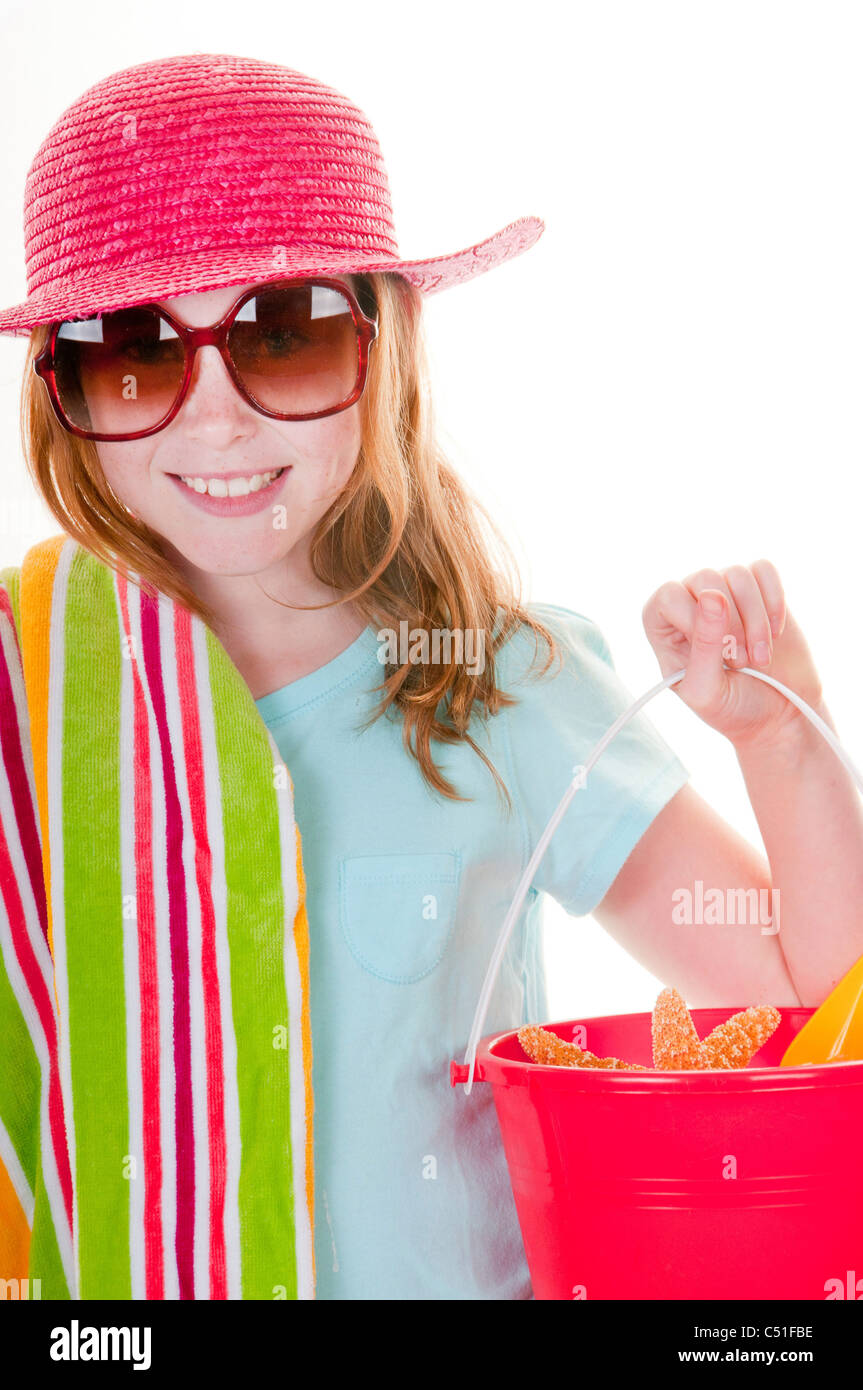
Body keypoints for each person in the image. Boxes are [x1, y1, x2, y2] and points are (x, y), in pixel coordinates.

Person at [2, 53, 862, 1303]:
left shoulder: (501, 689)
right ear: (62, 391)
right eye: (132, 349)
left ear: (381, 345)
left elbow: (807, 1016)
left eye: (282, 335)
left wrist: (780, 741)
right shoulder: (27, 714)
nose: (216, 417)